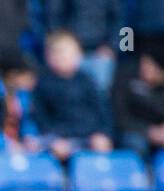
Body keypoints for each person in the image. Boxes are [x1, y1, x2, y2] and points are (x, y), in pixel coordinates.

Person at [34, 30, 113, 160]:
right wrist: (54, 140)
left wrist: (104, 135)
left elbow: (103, 112)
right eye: (56, 54)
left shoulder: (87, 81)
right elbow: (41, 117)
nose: (61, 58)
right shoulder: (43, 84)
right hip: (59, 140)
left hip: (88, 137)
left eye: (66, 53)